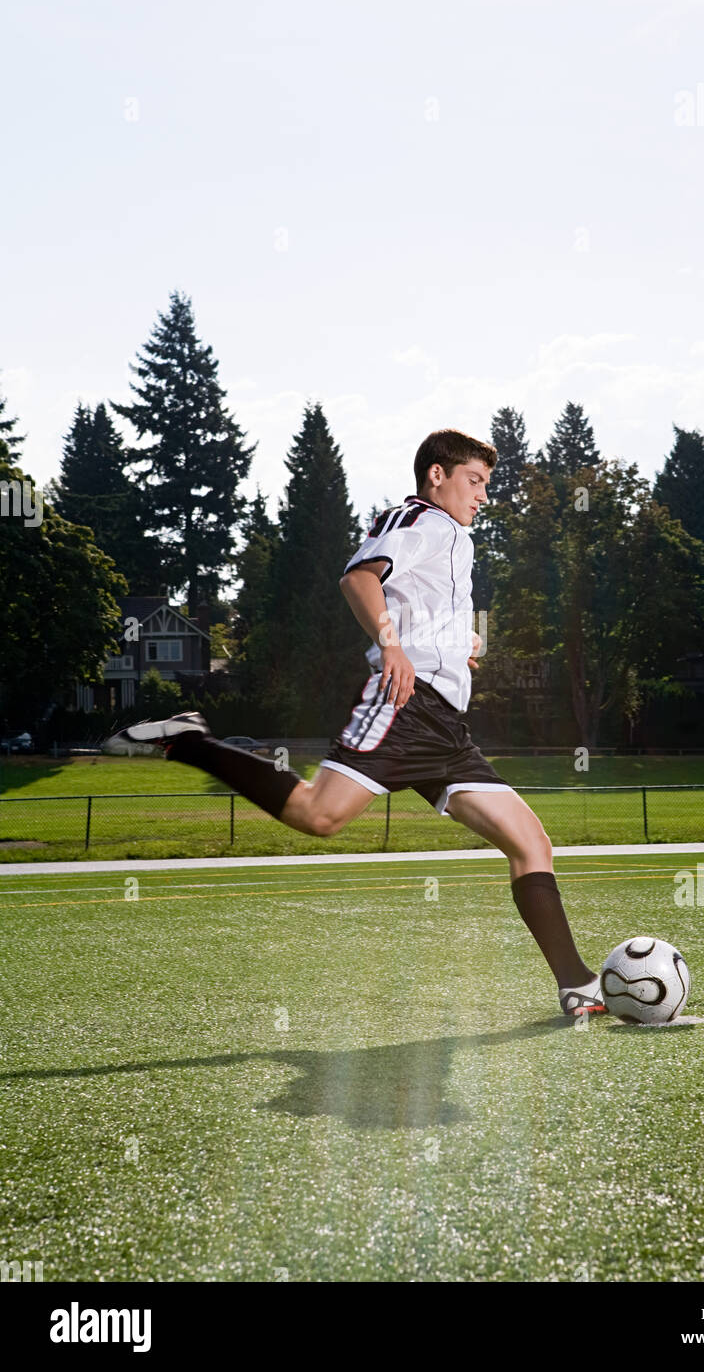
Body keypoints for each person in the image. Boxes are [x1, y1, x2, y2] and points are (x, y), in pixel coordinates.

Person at [106, 428, 606, 1015]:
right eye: (474, 480)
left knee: (531, 843)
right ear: (437, 475)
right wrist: (392, 645)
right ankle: (190, 741)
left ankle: (577, 985)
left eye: (486, 484)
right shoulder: (417, 517)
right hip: (405, 705)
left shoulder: (454, 536)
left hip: (447, 729)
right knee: (318, 815)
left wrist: (457, 642)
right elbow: (360, 578)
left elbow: (419, 603)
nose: (483, 495)